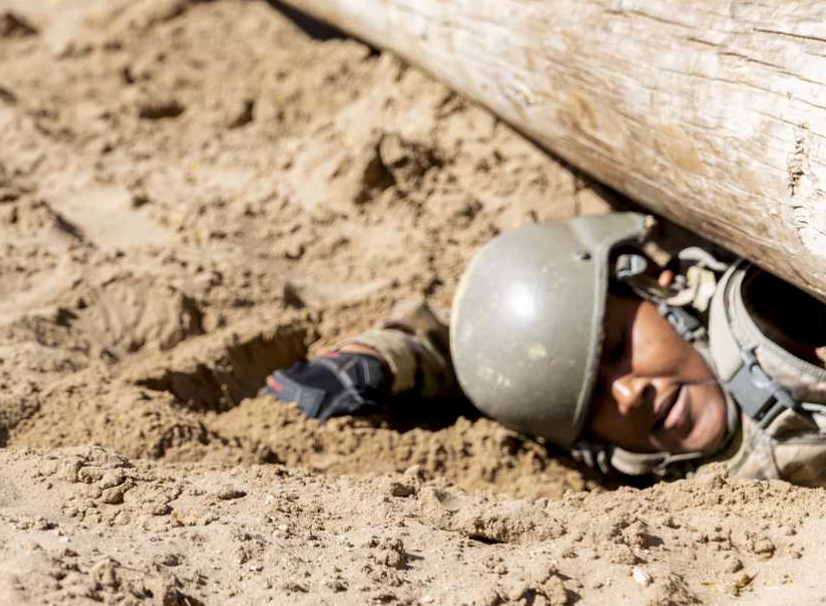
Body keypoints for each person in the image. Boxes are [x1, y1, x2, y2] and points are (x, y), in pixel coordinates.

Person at [266, 213, 826, 484]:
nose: (630, 394)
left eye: (614, 350)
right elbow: (513, 371)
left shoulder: (771, 310)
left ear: (653, 287)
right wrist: (389, 360)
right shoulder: (640, 471)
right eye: (590, 404)